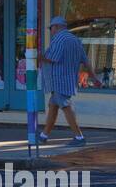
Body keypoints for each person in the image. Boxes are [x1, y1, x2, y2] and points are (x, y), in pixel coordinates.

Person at [36, 15, 101, 147]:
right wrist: (94, 77)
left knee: (66, 106)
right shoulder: (75, 40)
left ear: (56, 27)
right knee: (53, 106)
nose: (51, 31)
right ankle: (43, 136)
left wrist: (39, 57)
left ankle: (79, 137)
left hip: (58, 80)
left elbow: (52, 58)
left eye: (51, 28)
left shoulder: (59, 39)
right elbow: (85, 61)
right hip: (69, 80)